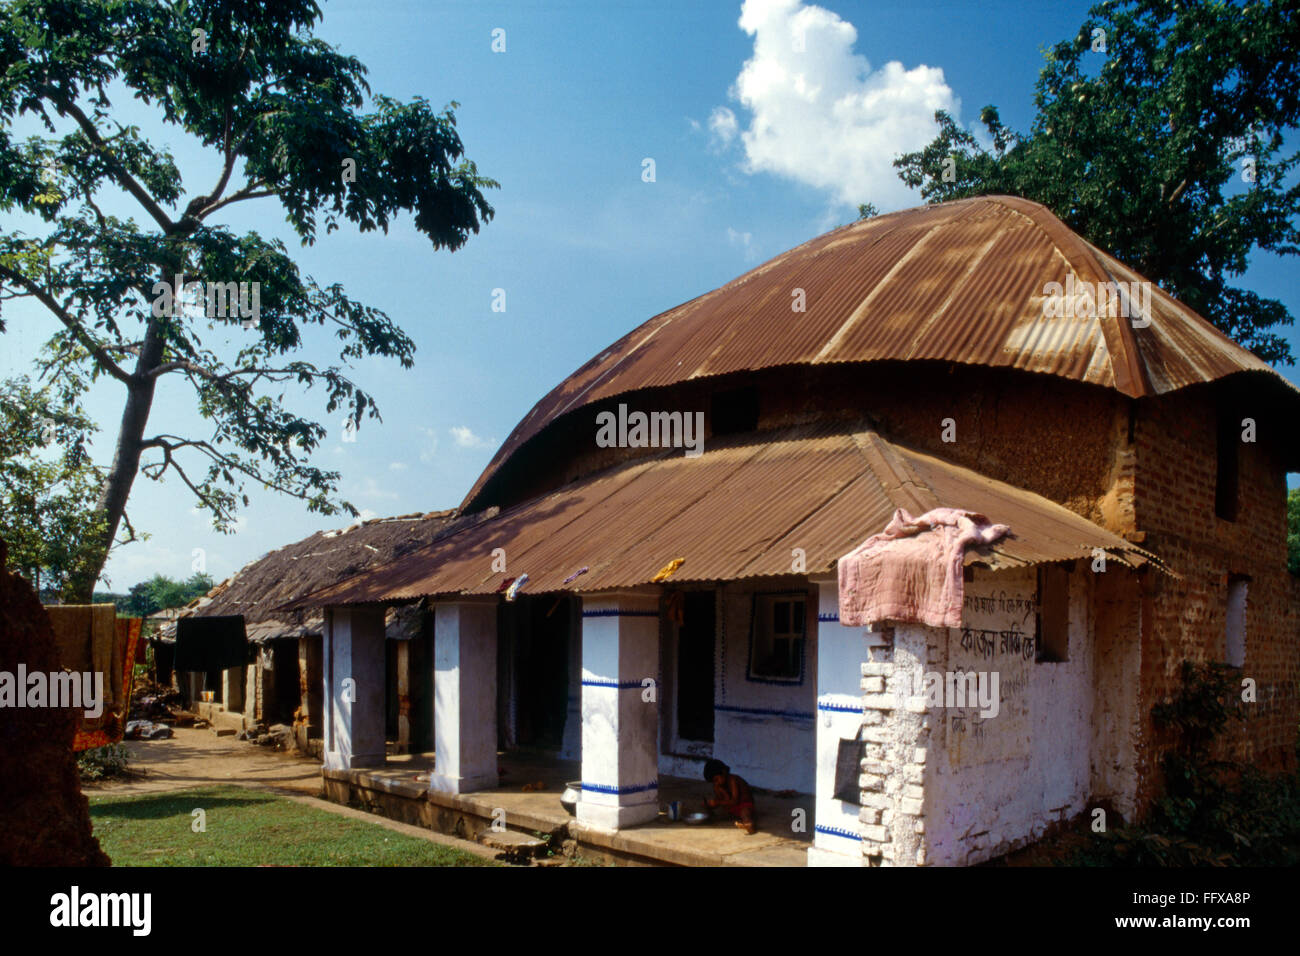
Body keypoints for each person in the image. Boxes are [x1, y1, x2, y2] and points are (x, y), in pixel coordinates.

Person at [703, 758, 756, 834]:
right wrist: (710, 804)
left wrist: (717, 802)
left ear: (723, 772)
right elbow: (721, 800)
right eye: (714, 782)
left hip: (745, 804)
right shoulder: (718, 786)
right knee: (720, 815)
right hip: (732, 807)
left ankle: (749, 825)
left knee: (745, 813)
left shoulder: (732, 780)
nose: (716, 783)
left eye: (716, 780)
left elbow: (735, 801)